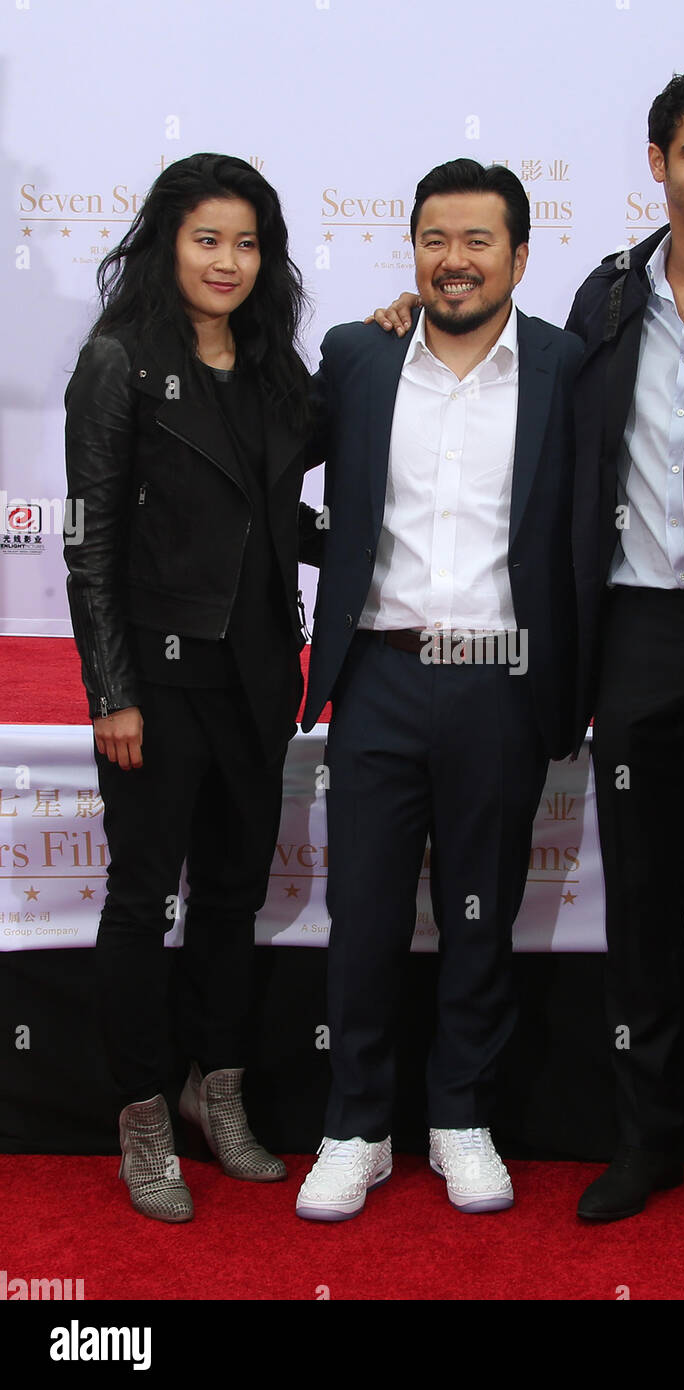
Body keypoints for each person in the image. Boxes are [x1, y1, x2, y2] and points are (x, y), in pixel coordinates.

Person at [374, 71, 684, 1242]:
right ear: (655, 161)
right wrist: (409, 323)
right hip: (636, 637)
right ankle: (646, 1137)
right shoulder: (607, 297)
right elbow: (514, 376)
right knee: (644, 911)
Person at [294, 158, 582, 1221]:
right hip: (380, 671)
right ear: (411, 248)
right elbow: (272, 464)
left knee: (480, 913)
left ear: (517, 251)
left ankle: (461, 1114)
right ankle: (353, 1124)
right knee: (361, 911)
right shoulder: (359, 357)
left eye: (476, 240)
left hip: (500, 683)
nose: (453, 260)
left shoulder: (565, 364)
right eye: (434, 239)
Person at [64, 153, 322, 1222]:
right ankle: (142, 1118)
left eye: (248, 242)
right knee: (141, 898)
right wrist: (110, 691)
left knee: (230, 895)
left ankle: (217, 1091)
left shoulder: (272, 368)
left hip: (258, 669)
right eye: (208, 238)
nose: (229, 261)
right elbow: (93, 546)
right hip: (156, 682)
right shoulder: (119, 360)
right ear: (168, 241)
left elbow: (275, 514)